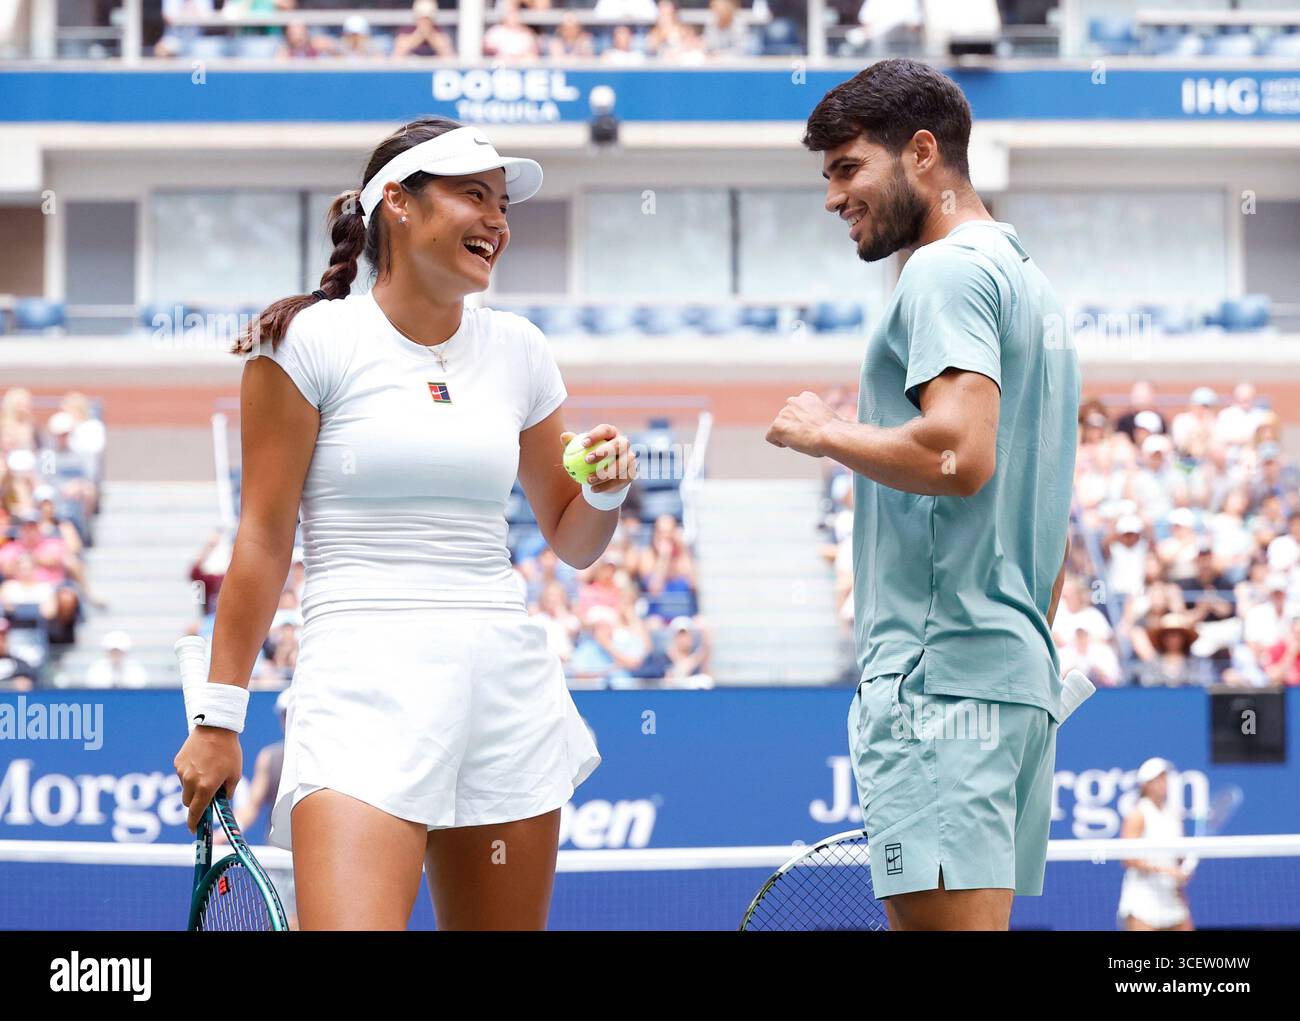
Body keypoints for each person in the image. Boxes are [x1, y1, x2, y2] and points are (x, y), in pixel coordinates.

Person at [173, 117, 633, 931]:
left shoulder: (522, 350)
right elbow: (262, 538)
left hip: (504, 687)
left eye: (502, 204)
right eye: (472, 196)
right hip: (359, 689)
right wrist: (219, 716)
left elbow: (572, 540)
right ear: (397, 203)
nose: (497, 220)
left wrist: (602, 492)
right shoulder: (306, 341)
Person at [767, 60, 1080, 931]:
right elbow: (1040, 506)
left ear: (922, 152)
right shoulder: (1031, 284)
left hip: (939, 683)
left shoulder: (943, 273)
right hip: (1008, 678)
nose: (833, 197)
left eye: (847, 169)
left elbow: (961, 454)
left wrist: (823, 430)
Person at [1118, 757, 1194, 931]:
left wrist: (1182, 873)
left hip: (1172, 899)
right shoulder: (1138, 814)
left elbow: (1177, 858)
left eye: (1164, 778)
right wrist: (1167, 871)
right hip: (1142, 902)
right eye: (1158, 779)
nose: (1163, 783)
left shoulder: (1174, 815)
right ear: (1146, 785)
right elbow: (1128, 859)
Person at [84, 631, 150, 688]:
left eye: (119, 652)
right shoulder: (96, 668)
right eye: (113, 652)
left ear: (125, 653)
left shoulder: (136, 669)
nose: (116, 656)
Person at [0, 619, 39, 691]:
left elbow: (29, 684)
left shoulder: (20, 664)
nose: (1, 640)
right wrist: (9, 685)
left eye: (3, 635)